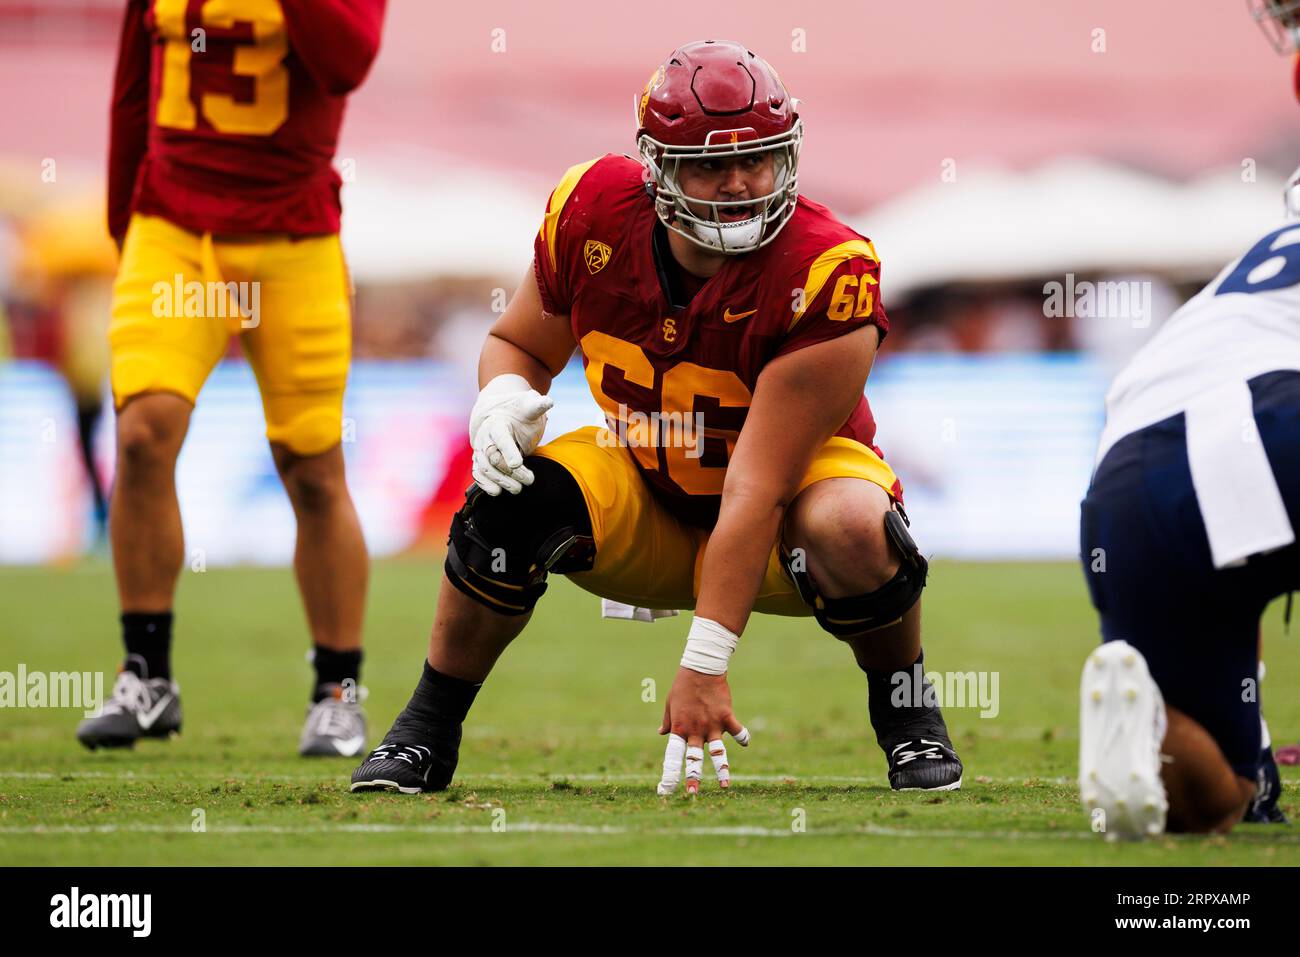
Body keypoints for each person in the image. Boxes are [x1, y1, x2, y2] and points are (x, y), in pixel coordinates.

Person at [351, 40, 963, 796]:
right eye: (710, 165)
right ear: (658, 169)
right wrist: (500, 397)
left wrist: (704, 664)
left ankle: (905, 711)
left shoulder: (826, 267)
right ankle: (425, 727)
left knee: (851, 523)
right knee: (510, 498)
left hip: (786, 523)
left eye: (757, 160)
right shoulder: (592, 212)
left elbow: (758, 487)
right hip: (647, 491)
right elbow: (516, 343)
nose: (739, 184)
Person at [76, 0, 386, 758]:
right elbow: (130, 91)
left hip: (294, 234)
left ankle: (337, 689)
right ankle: (146, 674)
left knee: (313, 466)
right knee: (143, 431)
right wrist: (125, 225)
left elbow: (347, 60)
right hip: (174, 225)